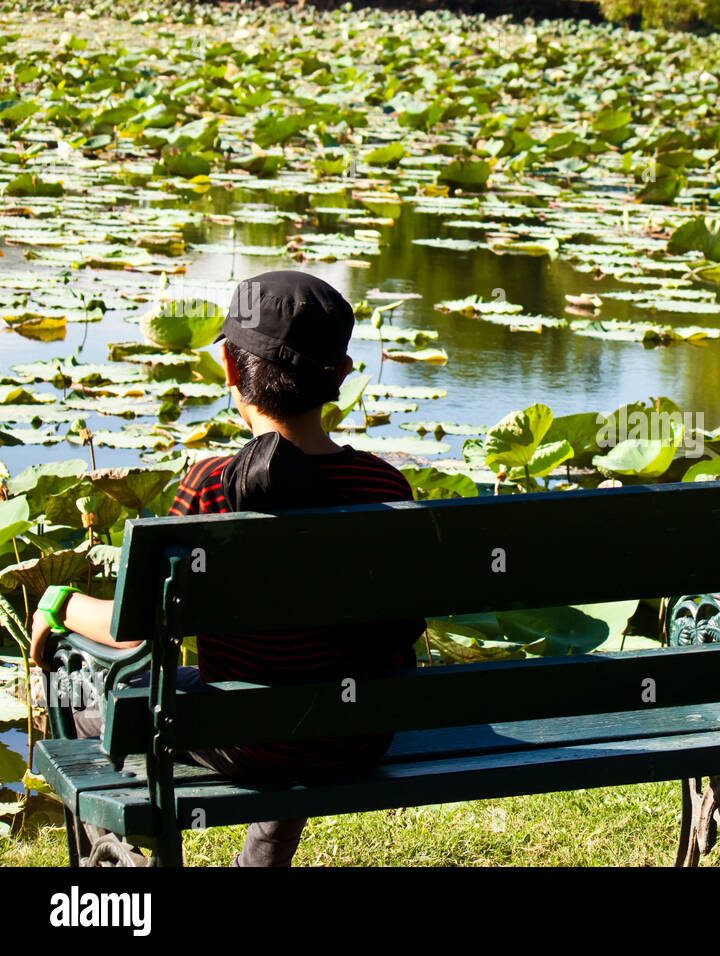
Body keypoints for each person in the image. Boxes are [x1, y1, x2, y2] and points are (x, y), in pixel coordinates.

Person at [30, 270, 425, 866]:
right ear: (341, 377)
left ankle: (115, 860)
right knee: (299, 685)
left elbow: (134, 629)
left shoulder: (209, 487)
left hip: (248, 739)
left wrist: (58, 603)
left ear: (230, 370)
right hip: (358, 736)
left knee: (88, 697)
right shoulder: (385, 485)